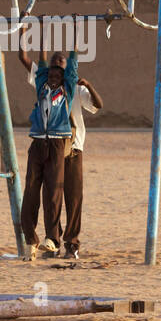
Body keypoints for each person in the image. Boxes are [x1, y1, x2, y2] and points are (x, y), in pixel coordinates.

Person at [16, 45, 78, 260]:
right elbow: (41, 63)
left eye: (57, 74)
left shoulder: (67, 90)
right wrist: (40, 30)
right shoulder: (42, 87)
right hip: (38, 143)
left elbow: (72, 66)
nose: (53, 77)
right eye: (50, 74)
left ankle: (52, 239)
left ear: (63, 76)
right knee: (31, 191)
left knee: (53, 193)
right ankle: (30, 239)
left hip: (57, 144)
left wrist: (77, 28)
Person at [61, 74, 102, 259]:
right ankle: (52, 241)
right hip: (51, 148)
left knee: (74, 198)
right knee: (52, 200)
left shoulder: (77, 90)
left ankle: (72, 244)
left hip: (74, 148)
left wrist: (89, 84)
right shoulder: (46, 87)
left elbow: (98, 105)